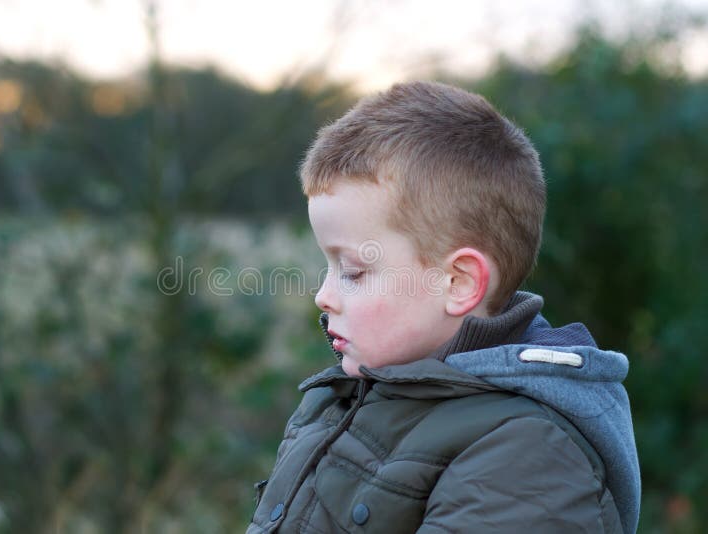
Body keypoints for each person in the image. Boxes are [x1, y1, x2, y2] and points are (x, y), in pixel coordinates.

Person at [246, 81, 640, 533]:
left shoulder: (527, 455)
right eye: (327, 266)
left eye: (352, 271)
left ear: (457, 282)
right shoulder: (336, 402)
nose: (323, 296)